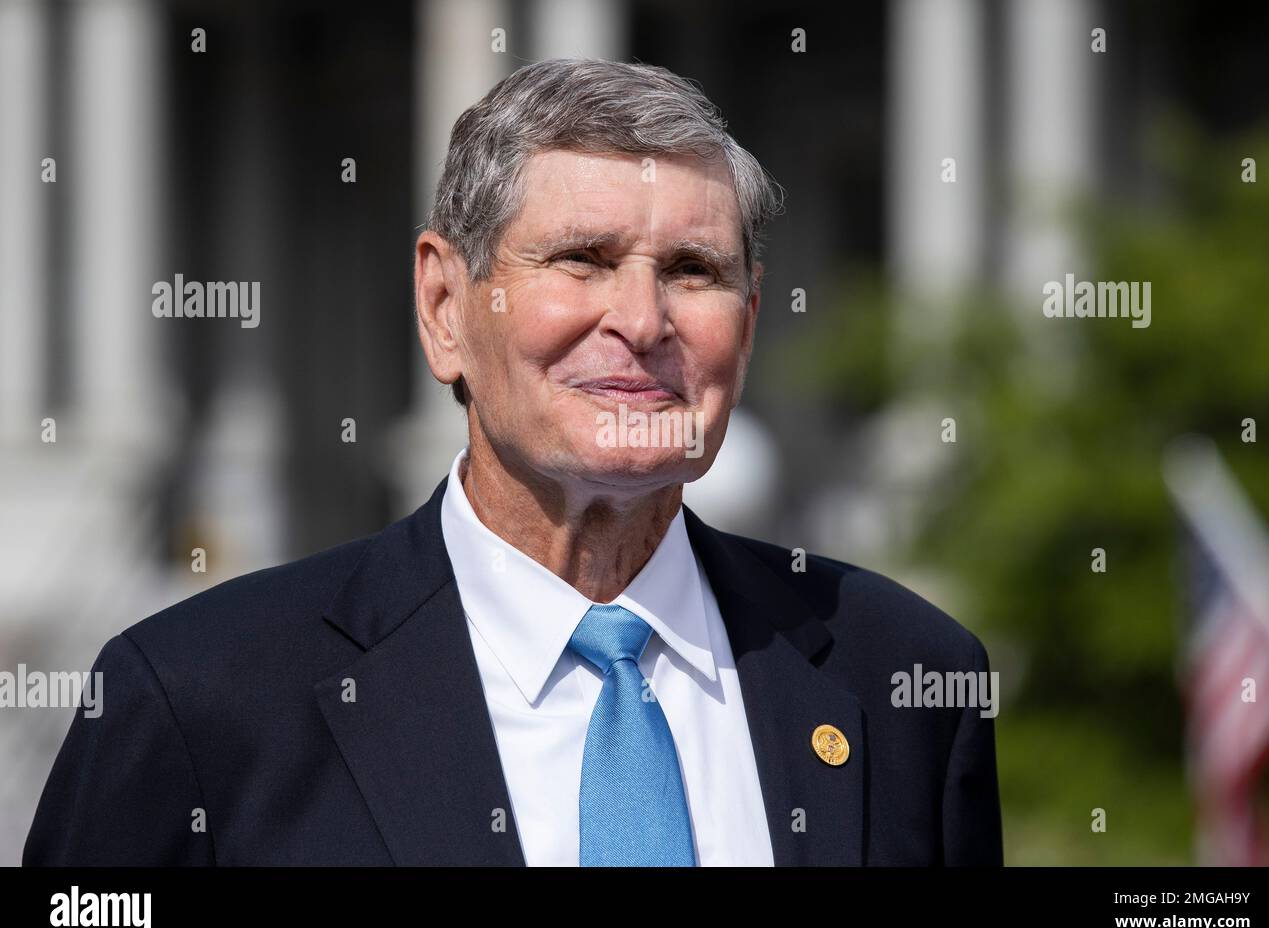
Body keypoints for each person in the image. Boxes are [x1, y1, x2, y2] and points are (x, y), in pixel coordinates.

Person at [24, 58, 1001, 866]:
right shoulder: (201, 698)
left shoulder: (905, 676)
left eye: (693, 271)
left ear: (746, 326)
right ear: (446, 308)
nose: (642, 320)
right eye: (580, 258)